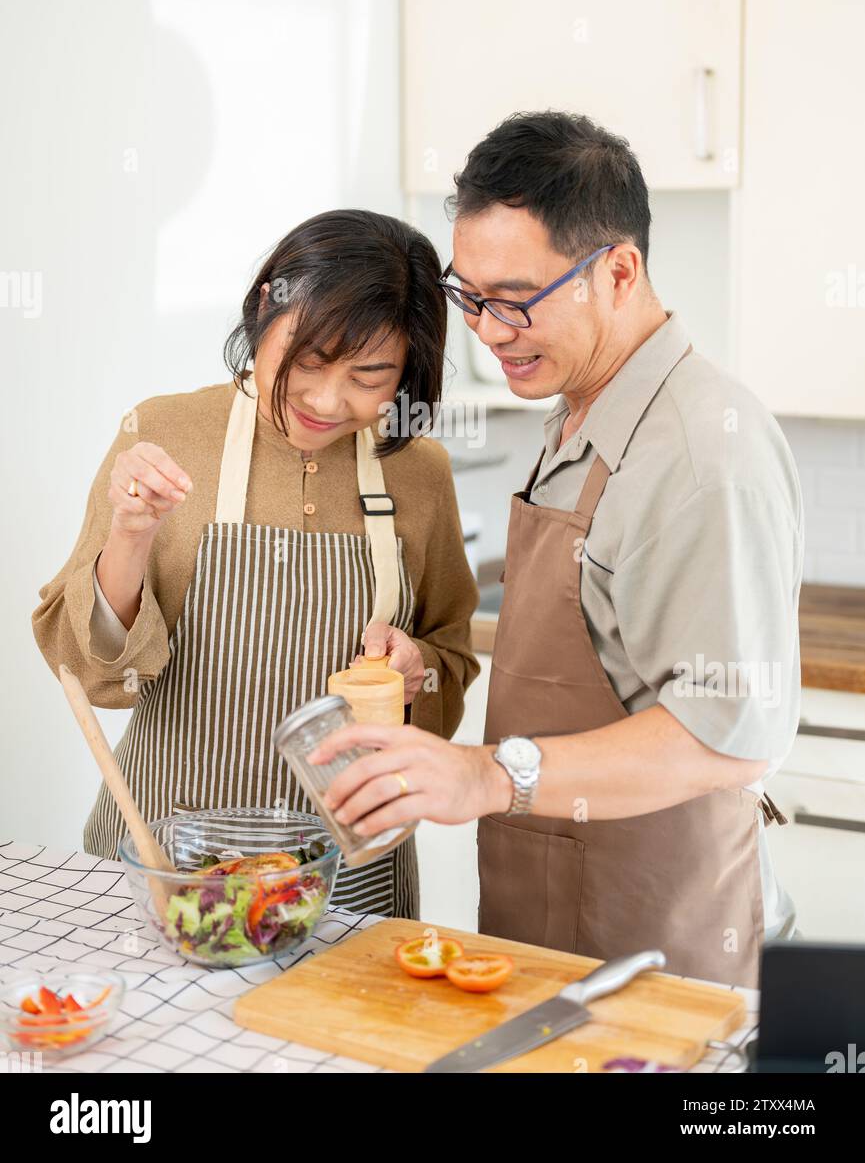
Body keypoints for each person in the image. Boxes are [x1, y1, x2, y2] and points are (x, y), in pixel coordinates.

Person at [307, 114, 804, 988]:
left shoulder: (701, 454)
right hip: (556, 913)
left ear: (618, 271)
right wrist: (424, 668)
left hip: (661, 938)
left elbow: (729, 738)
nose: (489, 332)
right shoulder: (582, 403)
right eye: (472, 298)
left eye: (516, 298)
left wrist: (487, 775)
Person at [33, 208, 480, 917]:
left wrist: (414, 668)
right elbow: (95, 677)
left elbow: (449, 660)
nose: (328, 399)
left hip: (345, 879)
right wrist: (128, 535)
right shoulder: (163, 431)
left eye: (370, 375)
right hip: (167, 861)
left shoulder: (420, 473)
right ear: (264, 309)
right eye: (309, 360)